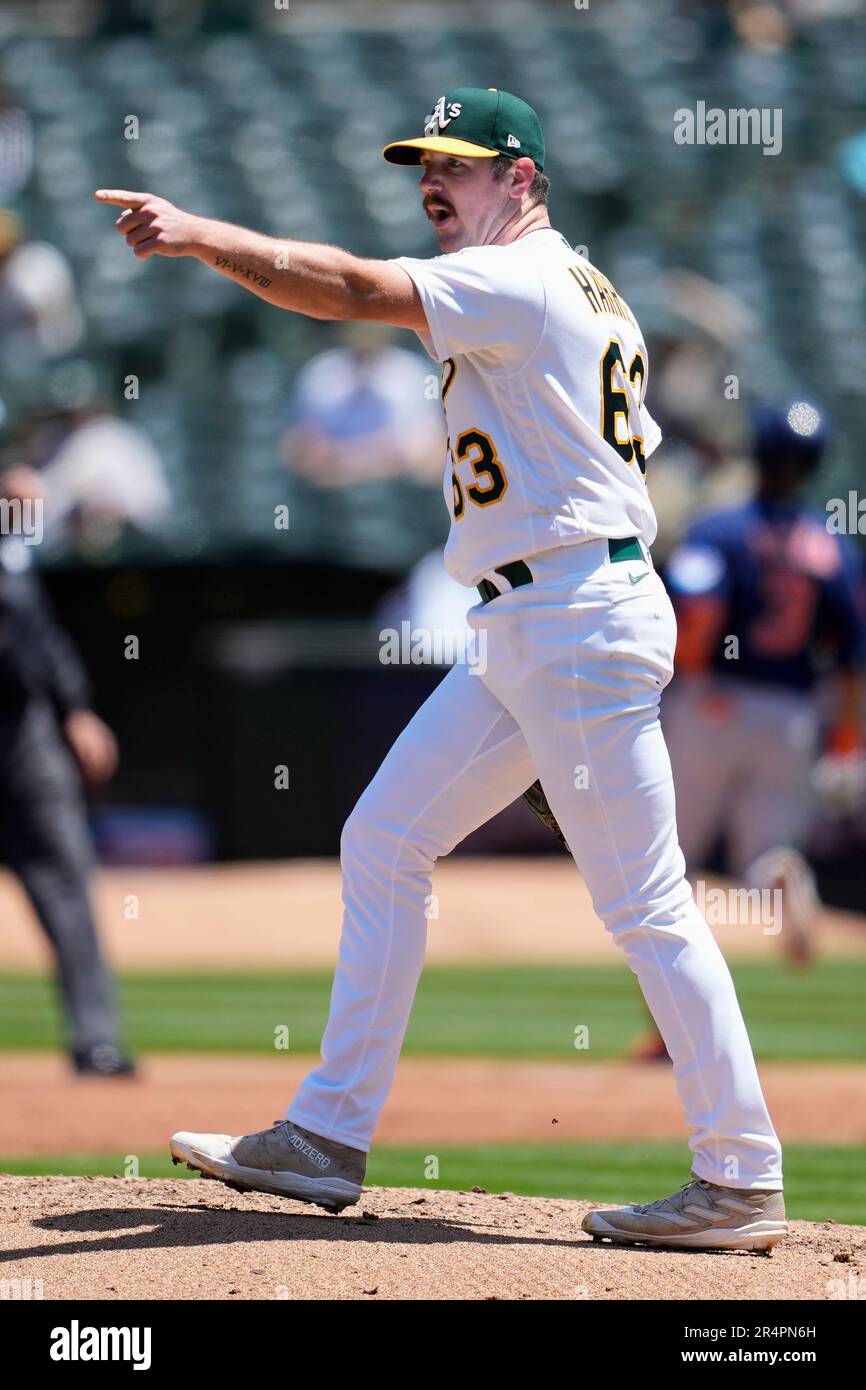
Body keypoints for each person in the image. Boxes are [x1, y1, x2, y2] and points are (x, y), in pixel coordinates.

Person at [98, 86, 787, 1251]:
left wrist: (204, 235)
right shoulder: (576, 285)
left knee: (644, 900)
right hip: (532, 622)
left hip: (569, 613)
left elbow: (349, 289)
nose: (435, 176)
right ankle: (326, 1134)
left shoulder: (514, 278)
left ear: (521, 180)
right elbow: (619, 441)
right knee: (383, 839)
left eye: (460, 163)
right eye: (425, 159)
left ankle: (738, 1174)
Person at [628, 399, 866, 1062]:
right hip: (791, 714)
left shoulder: (721, 529)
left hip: (717, 704)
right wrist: (848, 746)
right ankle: (777, 879)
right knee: (761, 855)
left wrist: (693, 679)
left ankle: (667, 1030)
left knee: (664, 869)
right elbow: (851, 659)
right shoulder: (830, 547)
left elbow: (697, 608)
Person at [0, 465, 135, 1076]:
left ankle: (96, 1040)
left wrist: (76, 709)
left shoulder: (15, 547)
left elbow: (41, 640)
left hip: (23, 736)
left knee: (68, 880)